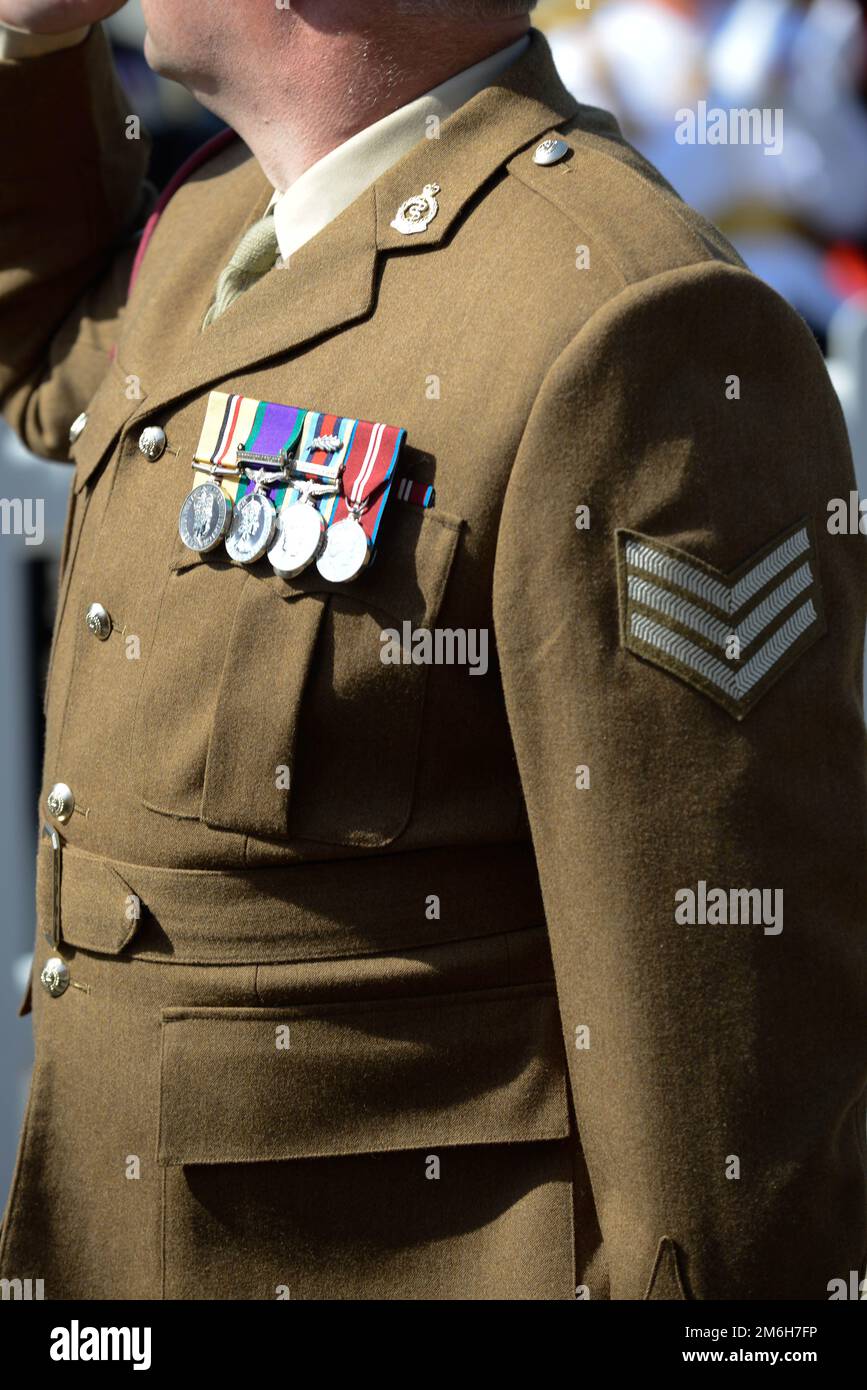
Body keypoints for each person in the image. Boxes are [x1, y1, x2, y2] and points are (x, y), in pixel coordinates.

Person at [0, 0, 864, 1302]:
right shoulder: (223, 223)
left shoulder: (631, 321)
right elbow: (44, 345)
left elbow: (730, 1103)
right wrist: (27, 43)